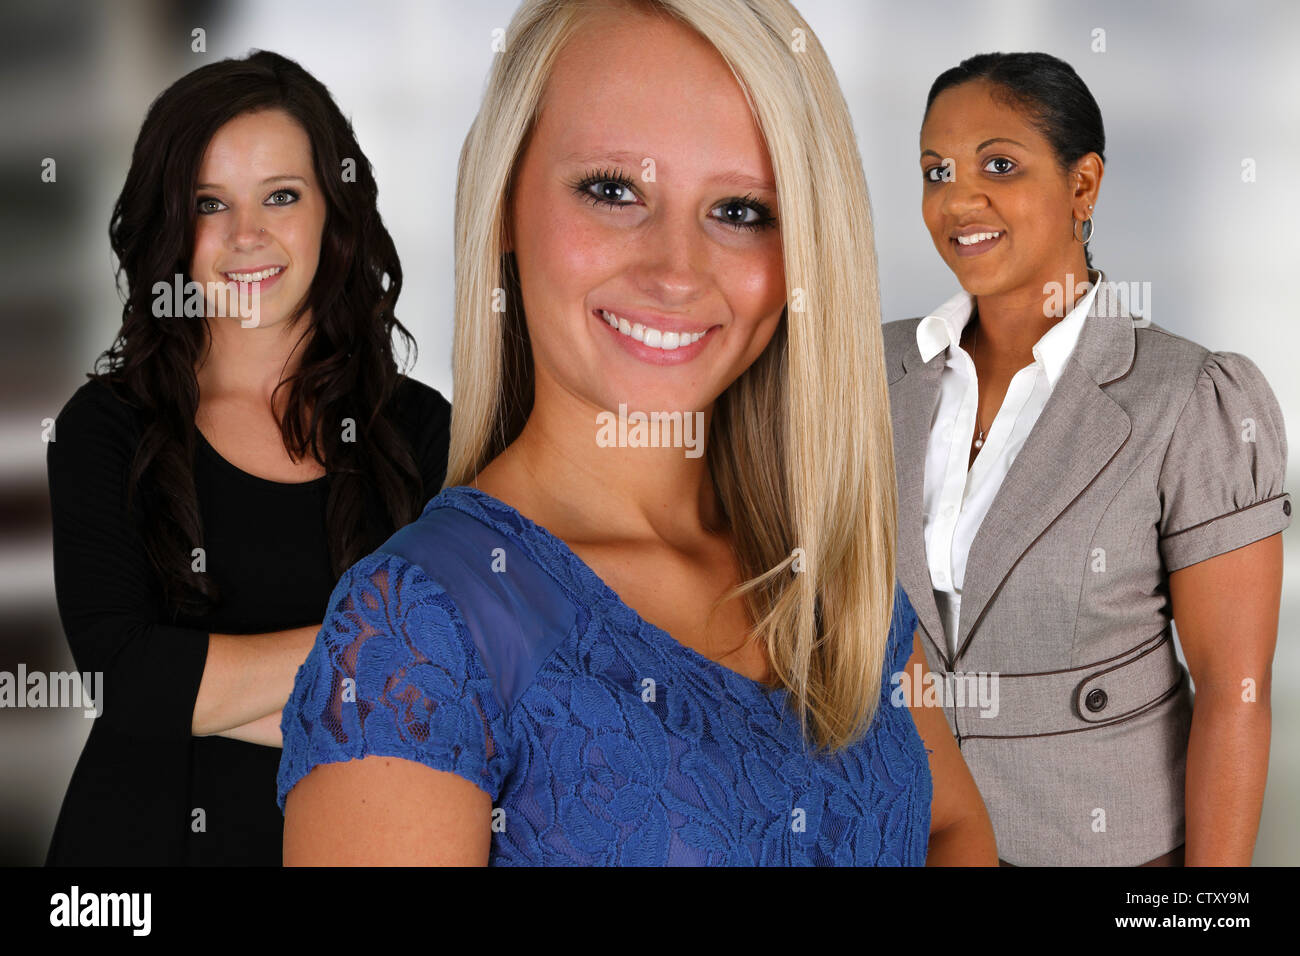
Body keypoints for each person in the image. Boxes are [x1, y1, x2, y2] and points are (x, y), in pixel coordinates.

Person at [277, 0, 996, 865]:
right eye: (613, 191)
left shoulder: (833, 572)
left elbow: (951, 824)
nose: (674, 271)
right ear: (504, 204)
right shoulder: (417, 628)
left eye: (740, 211)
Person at [45, 51, 450, 865]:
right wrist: (382, 652)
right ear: (171, 225)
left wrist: (201, 692)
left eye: (281, 196)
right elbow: (127, 680)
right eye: (209, 204)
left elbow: (458, 686)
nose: (246, 237)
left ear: (333, 212)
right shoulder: (106, 427)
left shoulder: (417, 431)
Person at [885, 51, 1289, 865]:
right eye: (936, 171)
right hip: (897, 834)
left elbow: (1234, 698)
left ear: (1083, 185)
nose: (959, 198)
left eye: (999, 164)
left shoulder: (1190, 398)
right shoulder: (869, 374)